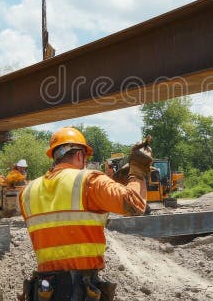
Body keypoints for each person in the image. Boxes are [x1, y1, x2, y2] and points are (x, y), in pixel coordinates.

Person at [18, 127, 152, 301]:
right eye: (86, 158)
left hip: (44, 291)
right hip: (81, 290)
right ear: (80, 155)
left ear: (54, 156)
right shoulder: (89, 180)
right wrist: (137, 172)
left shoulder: (27, 192)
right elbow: (134, 204)